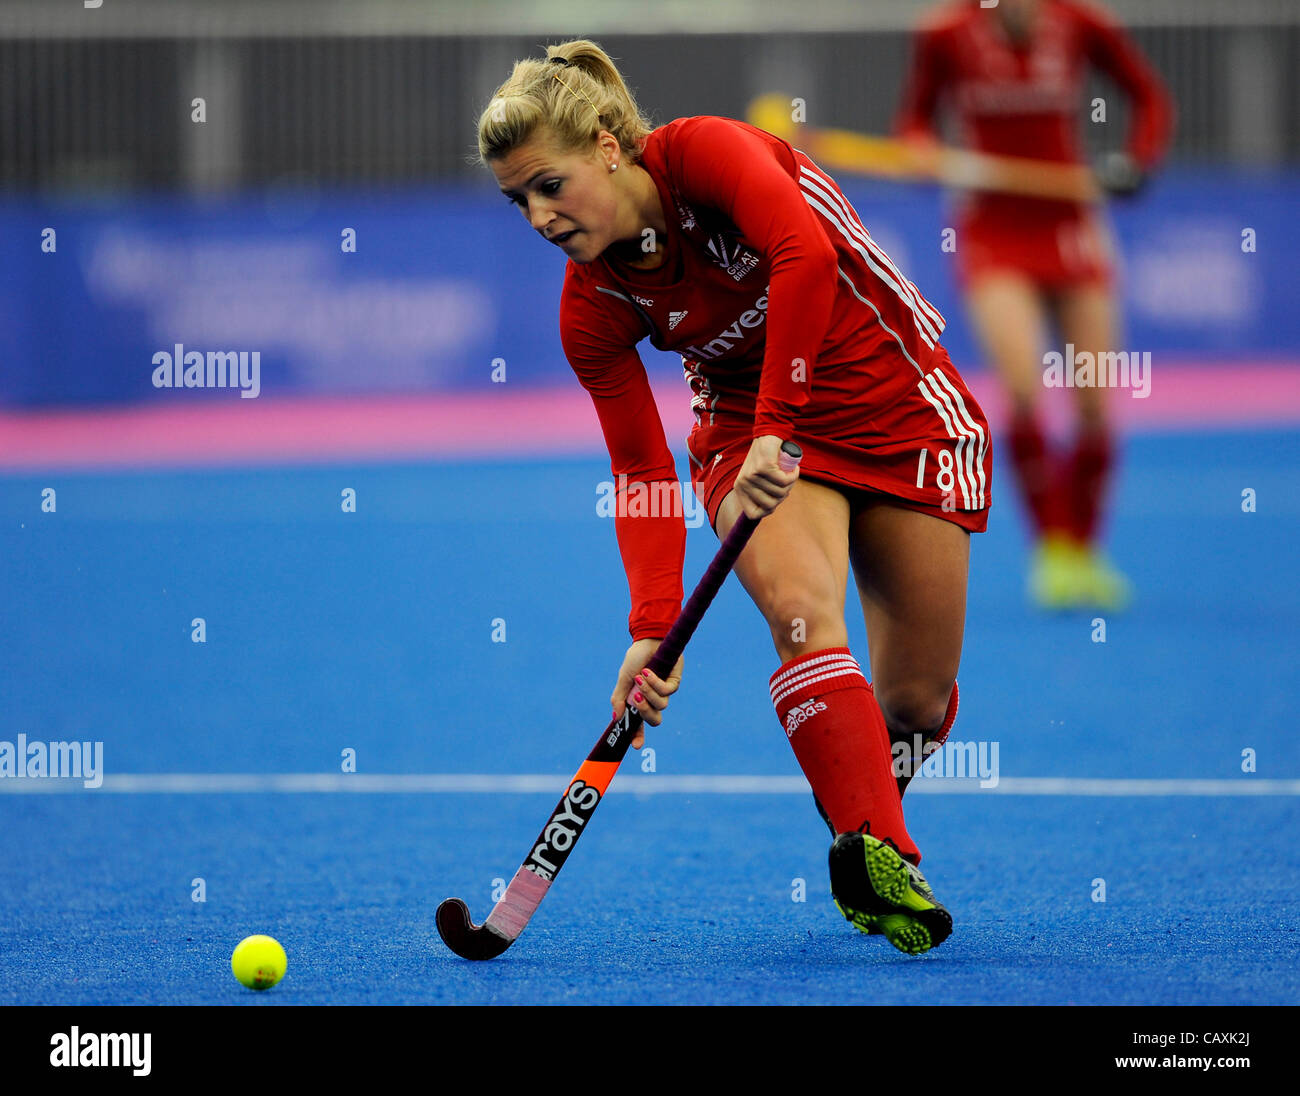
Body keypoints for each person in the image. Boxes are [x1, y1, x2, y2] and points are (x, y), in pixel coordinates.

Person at [478, 39, 992, 955]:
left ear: (606, 145)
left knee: (916, 700)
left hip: (896, 402)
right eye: (519, 200)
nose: (538, 215)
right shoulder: (590, 304)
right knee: (801, 611)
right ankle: (877, 849)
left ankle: (870, 790)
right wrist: (651, 621)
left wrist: (780, 420)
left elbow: (804, 253)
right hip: (744, 434)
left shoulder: (707, 155)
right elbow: (638, 472)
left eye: (548, 185)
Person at [897, 0, 1172, 609]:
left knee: (1095, 400)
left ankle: (1083, 550)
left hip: (1071, 223)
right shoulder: (944, 33)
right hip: (993, 232)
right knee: (1024, 388)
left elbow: (1150, 98)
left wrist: (1136, 160)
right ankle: (1051, 551)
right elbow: (914, 121)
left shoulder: (1082, 22)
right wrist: (921, 150)